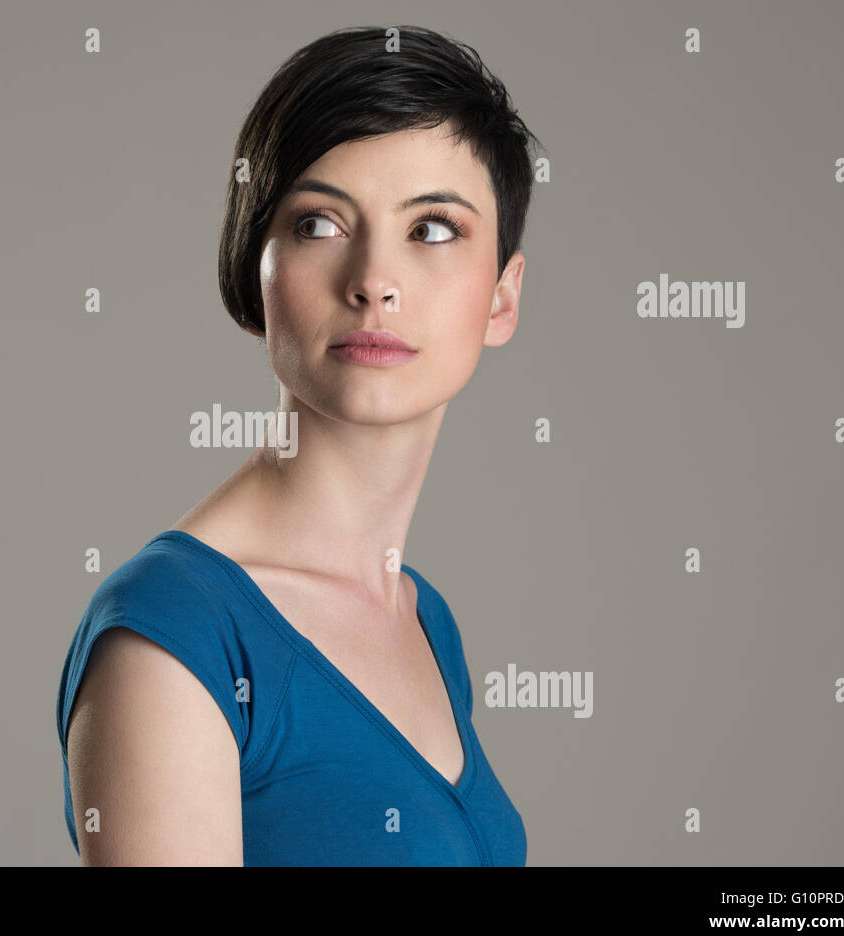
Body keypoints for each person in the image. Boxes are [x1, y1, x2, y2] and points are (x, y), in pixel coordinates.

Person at [57, 24, 543, 865]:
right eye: (319, 222)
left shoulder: (423, 620)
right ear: (253, 275)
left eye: (432, 229)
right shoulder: (175, 632)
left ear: (501, 299)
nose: (373, 281)